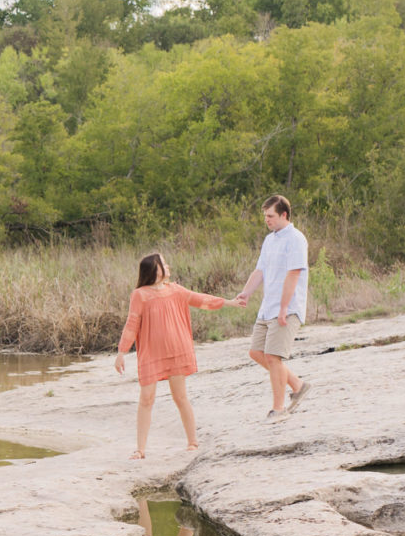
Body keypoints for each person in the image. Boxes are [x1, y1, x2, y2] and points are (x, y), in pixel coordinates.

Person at [114, 252, 233, 459]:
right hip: (152, 354)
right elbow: (132, 325)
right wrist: (121, 353)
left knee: (180, 396)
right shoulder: (140, 295)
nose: (168, 266)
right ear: (155, 270)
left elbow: (201, 300)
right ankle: (140, 449)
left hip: (177, 350)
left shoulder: (176, 290)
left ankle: (192, 442)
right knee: (146, 399)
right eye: (164, 264)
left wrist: (230, 302)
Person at [233, 194, 311, 420]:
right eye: (265, 216)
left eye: (270, 216)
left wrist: (284, 308)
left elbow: (293, 274)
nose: (266, 220)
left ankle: (279, 409)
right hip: (268, 307)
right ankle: (298, 385)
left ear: (284, 215)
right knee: (256, 352)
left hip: (287, 308)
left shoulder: (296, 239)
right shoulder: (269, 240)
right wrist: (246, 293)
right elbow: (260, 271)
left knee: (273, 356)